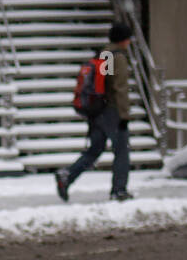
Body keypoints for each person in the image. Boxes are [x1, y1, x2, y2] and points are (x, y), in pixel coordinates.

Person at [56, 21, 133, 202]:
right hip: (112, 111)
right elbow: (119, 88)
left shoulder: (103, 54)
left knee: (94, 150)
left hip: (96, 110)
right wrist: (124, 115)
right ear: (124, 40)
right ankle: (119, 190)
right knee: (122, 151)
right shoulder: (118, 57)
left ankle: (67, 175)